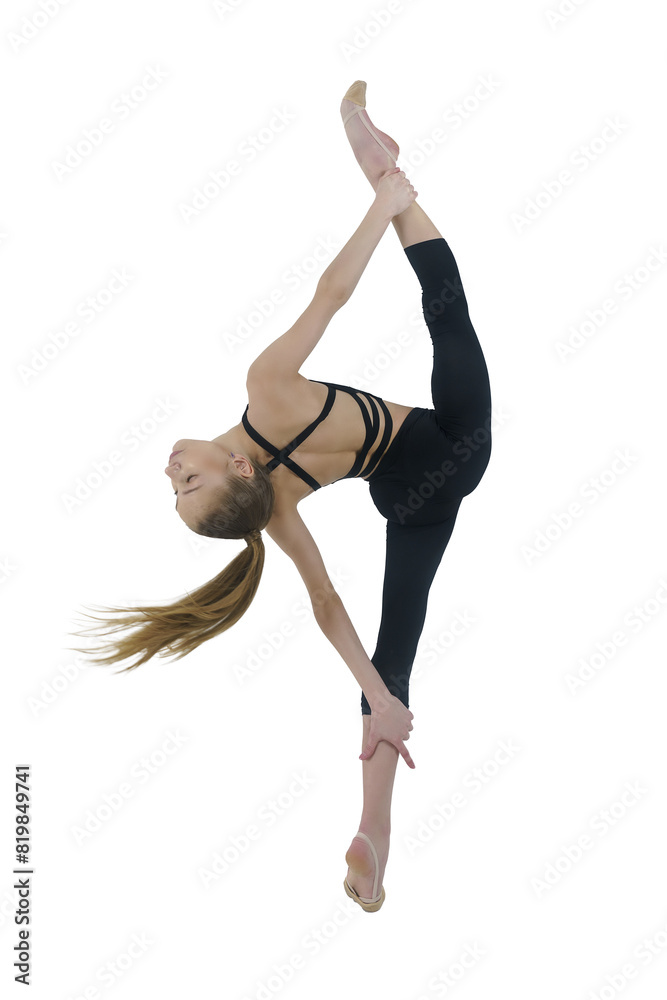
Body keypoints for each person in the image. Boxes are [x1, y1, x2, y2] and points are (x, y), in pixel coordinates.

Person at [72, 81, 493, 912]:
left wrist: (376, 694)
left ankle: (374, 832)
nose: (170, 469)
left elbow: (329, 603)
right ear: (235, 474)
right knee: (448, 318)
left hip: (419, 502)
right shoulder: (266, 392)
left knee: (391, 661)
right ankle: (393, 179)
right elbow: (329, 296)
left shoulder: (280, 506)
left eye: (173, 486)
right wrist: (381, 207)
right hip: (453, 445)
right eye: (186, 482)